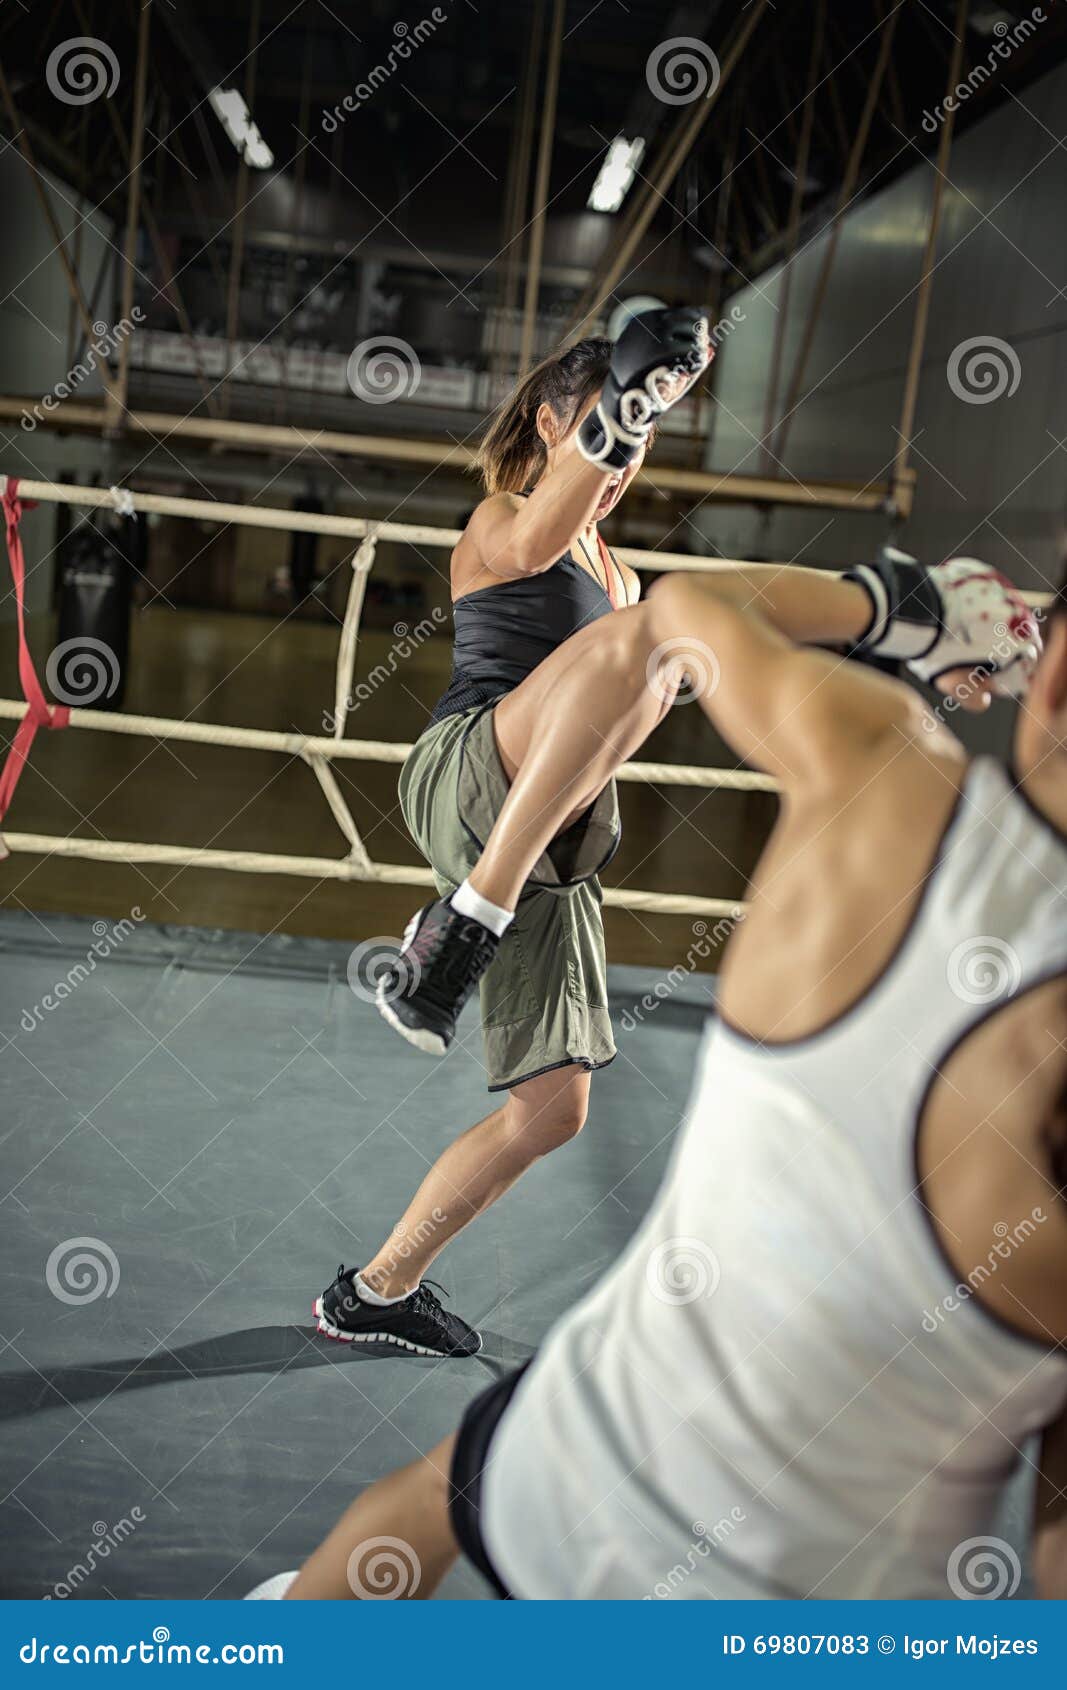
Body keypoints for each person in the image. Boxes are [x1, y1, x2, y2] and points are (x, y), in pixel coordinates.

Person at [269, 546, 1066, 1601]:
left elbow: (683, 615)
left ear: (1052, 676)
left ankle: (380, 1279)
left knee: (419, 1506)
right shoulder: (515, 526)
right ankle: (385, 1258)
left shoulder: (885, 785)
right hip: (837, 1618)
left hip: (581, 1458)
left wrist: (901, 607)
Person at [314, 307, 711, 1359]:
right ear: (550, 422)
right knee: (647, 643)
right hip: (468, 774)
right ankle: (465, 915)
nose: (623, 462)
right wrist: (627, 412)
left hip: (551, 851)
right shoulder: (502, 520)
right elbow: (540, 538)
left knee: (552, 1112)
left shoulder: (622, 575)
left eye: (640, 436)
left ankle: (377, 1291)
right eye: (612, 427)